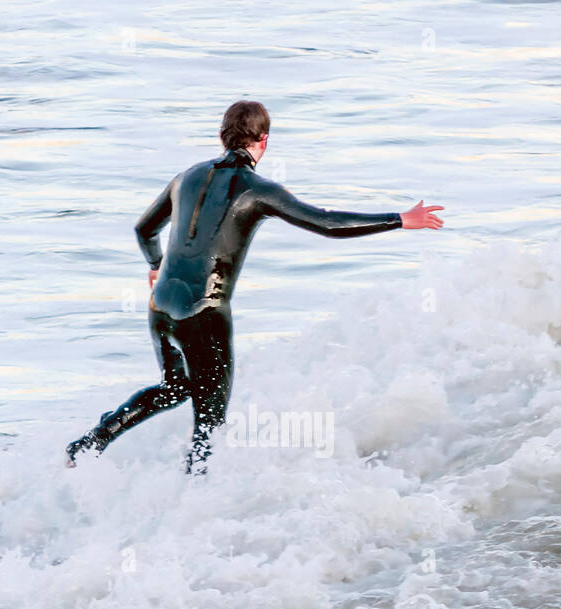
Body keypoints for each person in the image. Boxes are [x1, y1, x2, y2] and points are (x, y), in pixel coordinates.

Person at [66, 100, 444, 473]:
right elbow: (326, 223)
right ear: (264, 140)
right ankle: (194, 497)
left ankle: (90, 442)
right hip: (204, 313)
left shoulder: (186, 177)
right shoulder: (258, 189)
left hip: (160, 305)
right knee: (209, 424)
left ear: (221, 136)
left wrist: (155, 265)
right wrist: (400, 219)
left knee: (174, 388)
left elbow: (144, 229)